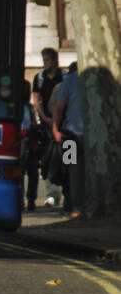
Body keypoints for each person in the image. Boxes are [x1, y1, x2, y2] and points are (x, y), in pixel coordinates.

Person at [51, 61, 85, 218]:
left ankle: (72, 204)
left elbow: (57, 108)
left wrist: (55, 129)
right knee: (70, 169)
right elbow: (58, 107)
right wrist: (55, 129)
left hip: (69, 133)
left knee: (69, 170)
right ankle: (73, 204)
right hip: (70, 134)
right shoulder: (69, 80)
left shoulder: (68, 80)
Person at [31, 47, 63, 206]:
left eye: (47, 60)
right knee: (48, 158)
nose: (45, 63)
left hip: (65, 127)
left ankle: (70, 193)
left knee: (69, 158)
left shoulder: (63, 77)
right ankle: (52, 193)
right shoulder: (40, 78)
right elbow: (36, 101)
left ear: (55, 60)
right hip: (47, 126)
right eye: (43, 60)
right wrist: (44, 118)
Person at [19, 78, 40, 211]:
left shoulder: (30, 108)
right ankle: (20, 200)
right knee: (19, 173)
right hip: (20, 141)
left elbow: (34, 123)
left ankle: (31, 199)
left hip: (30, 141)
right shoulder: (15, 108)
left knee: (33, 173)